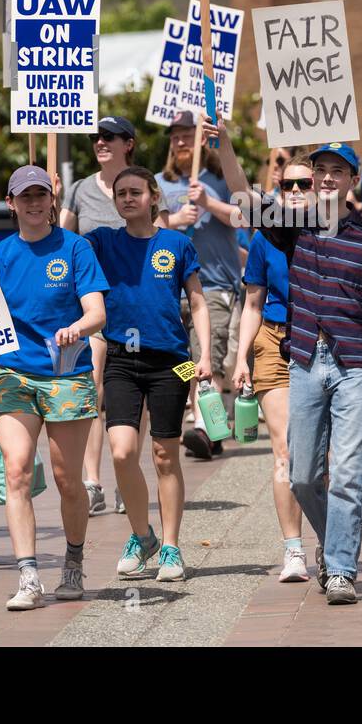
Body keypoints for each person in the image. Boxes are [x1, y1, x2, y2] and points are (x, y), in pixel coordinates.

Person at [220, 135, 362, 606]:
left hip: (357, 363)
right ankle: (334, 541)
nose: (326, 177)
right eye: (319, 169)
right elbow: (244, 199)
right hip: (303, 358)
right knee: (302, 475)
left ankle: (341, 568)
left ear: (350, 181)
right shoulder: (290, 227)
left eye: (336, 171)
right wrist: (224, 144)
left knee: (347, 472)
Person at [0, 165, 109, 609]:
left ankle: (72, 562)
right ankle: (28, 577)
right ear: (10, 203)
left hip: (67, 375)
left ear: (51, 200)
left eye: (40, 195)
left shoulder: (76, 248)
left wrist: (77, 327)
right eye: (24, 196)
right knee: (16, 470)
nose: (33, 203)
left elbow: (97, 313)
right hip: (15, 373)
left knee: (66, 479)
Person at [85, 166, 210, 582]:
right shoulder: (102, 242)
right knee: (121, 451)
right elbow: (58, 244)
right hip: (121, 358)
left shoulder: (177, 243)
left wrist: (204, 357)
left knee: (164, 456)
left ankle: (172, 547)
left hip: (174, 361)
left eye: (135, 192)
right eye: (120, 193)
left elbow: (197, 304)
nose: (127, 199)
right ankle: (143, 536)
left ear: (154, 196)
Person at [60, 115, 167, 519]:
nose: (100, 142)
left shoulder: (144, 184)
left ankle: (127, 477)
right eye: (95, 137)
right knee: (93, 389)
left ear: (129, 143)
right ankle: (92, 481)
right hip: (94, 310)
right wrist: (53, 205)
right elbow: (63, 241)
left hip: (136, 311)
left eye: (109, 137)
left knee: (133, 398)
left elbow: (165, 242)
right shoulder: (79, 189)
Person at [230, 155, 314, 582]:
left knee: (317, 458)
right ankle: (293, 549)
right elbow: (253, 302)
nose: (295, 192)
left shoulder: (332, 230)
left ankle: (331, 539)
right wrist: (242, 356)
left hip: (321, 346)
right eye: (287, 186)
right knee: (284, 449)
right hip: (274, 342)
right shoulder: (266, 237)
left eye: (304, 184)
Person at [156, 110, 239, 461]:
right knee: (187, 363)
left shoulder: (221, 179)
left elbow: (245, 215)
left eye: (187, 135)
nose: (180, 141)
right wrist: (175, 220)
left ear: (202, 138)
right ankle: (213, 428)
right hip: (173, 289)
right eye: (175, 136)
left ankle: (205, 428)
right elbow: (150, 229)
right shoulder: (159, 183)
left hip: (215, 285)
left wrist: (208, 202)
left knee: (211, 359)